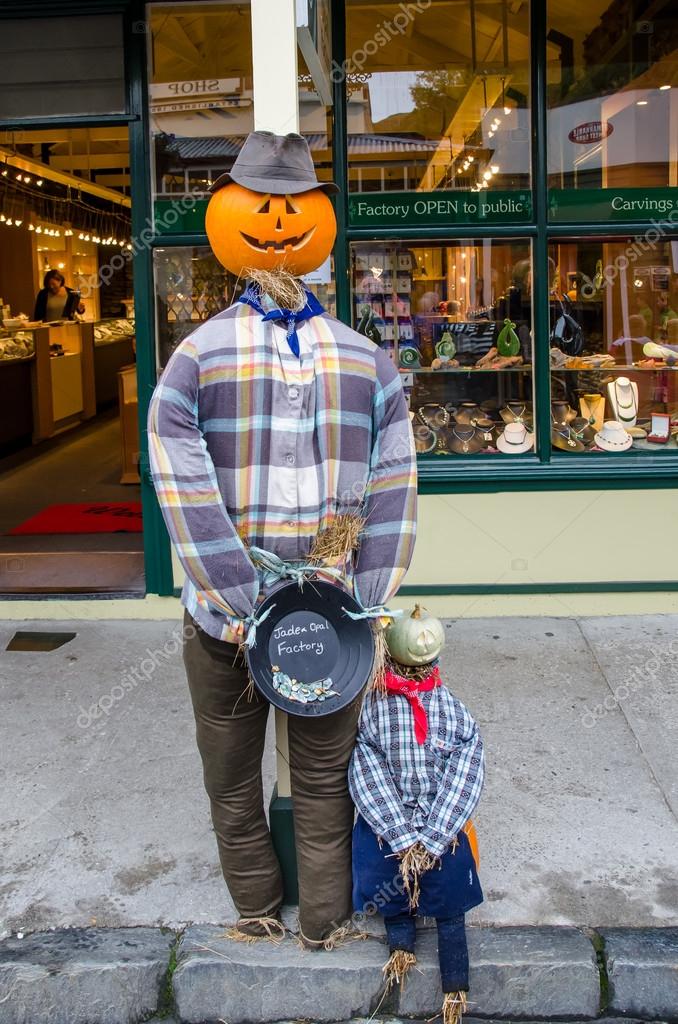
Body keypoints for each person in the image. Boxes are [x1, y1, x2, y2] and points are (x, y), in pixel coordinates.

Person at [147, 131, 417, 947]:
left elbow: (395, 479)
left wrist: (365, 591)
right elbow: (177, 468)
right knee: (262, 774)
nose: (276, 222)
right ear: (229, 216)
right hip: (243, 617)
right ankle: (277, 912)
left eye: (293, 207)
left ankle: (302, 914)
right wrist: (241, 589)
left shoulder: (364, 361)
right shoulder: (202, 356)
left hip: (305, 614)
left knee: (283, 775)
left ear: (319, 221)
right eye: (261, 206)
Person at [349, 608, 484, 1024]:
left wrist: (435, 834)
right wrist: (402, 835)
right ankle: (400, 945)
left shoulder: (452, 712)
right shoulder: (375, 712)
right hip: (394, 825)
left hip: (438, 823)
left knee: (450, 893)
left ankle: (455, 984)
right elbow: (368, 774)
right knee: (382, 872)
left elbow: (465, 772)